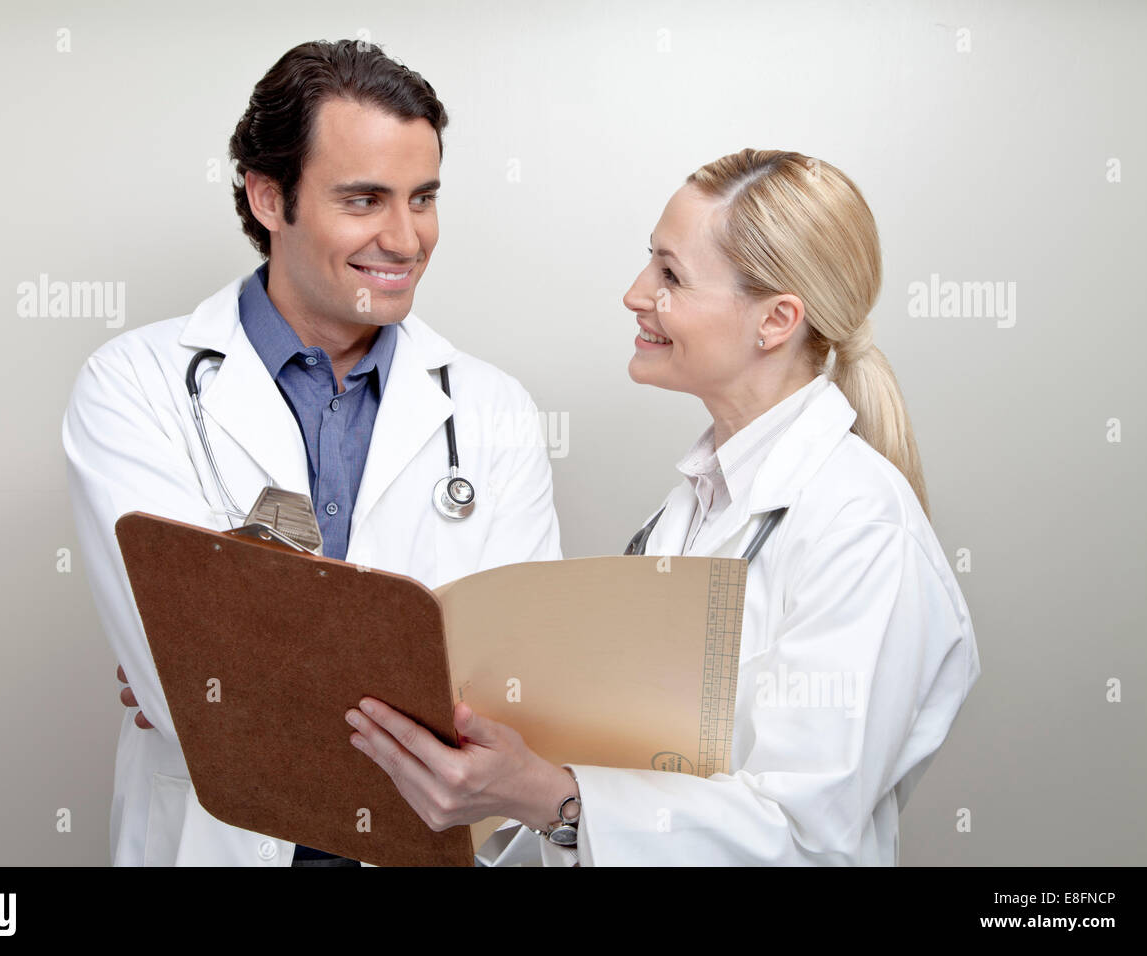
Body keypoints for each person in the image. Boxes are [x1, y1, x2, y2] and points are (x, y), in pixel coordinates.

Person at [346, 148, 981, 866]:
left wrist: (548, 794)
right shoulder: (687, 513)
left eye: (671, 275)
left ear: (776, 320)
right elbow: (625, 793)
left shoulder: (863, 530)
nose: (635, 292)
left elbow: (806, 840)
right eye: (651, 261)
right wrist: (499, 790)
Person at [63, 39, 560, 867]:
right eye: (364, 200)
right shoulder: (133, 386)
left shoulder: (492, 408)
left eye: (424, 197)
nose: (406, 239)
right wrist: (198, 685)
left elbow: (518, 697)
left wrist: (254, 668)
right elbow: (186, 695)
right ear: (268, 197)